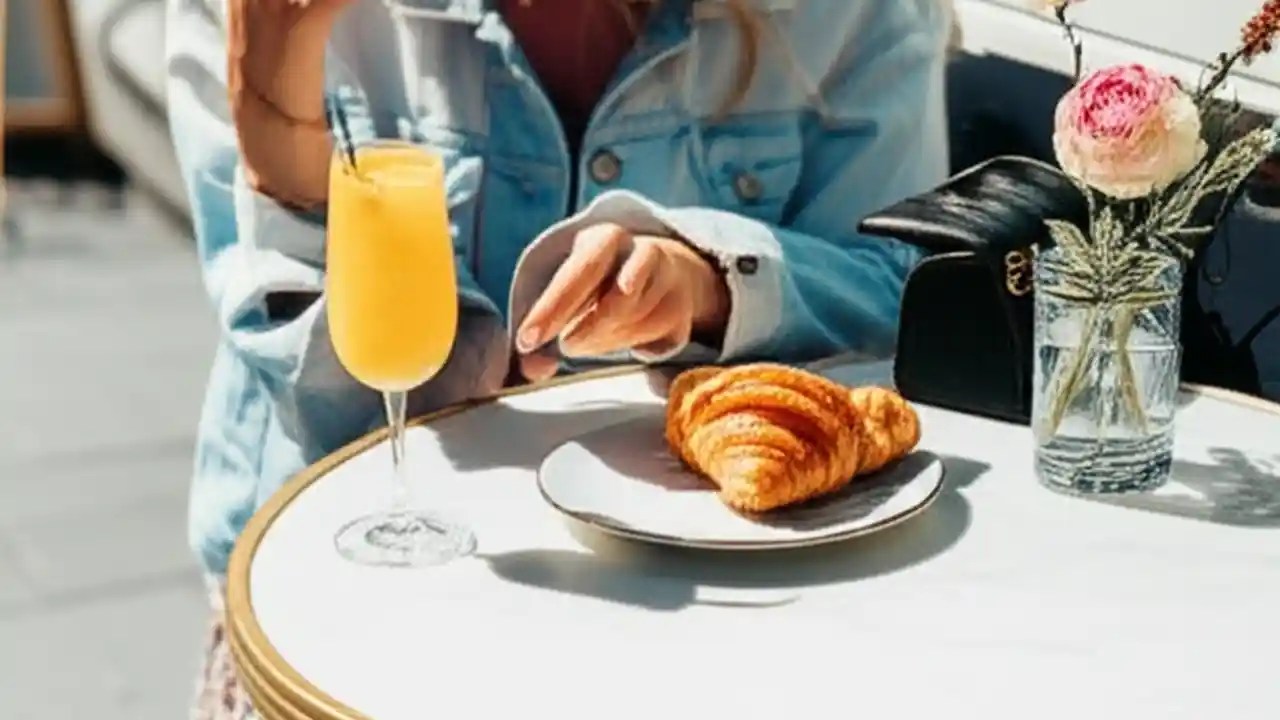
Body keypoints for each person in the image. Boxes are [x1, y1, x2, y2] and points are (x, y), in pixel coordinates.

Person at [166, 0, 952, 716]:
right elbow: (290, 342)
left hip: (716, 638)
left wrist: (714, 281)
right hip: (343, 617)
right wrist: (288, 168)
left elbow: (903, 288)